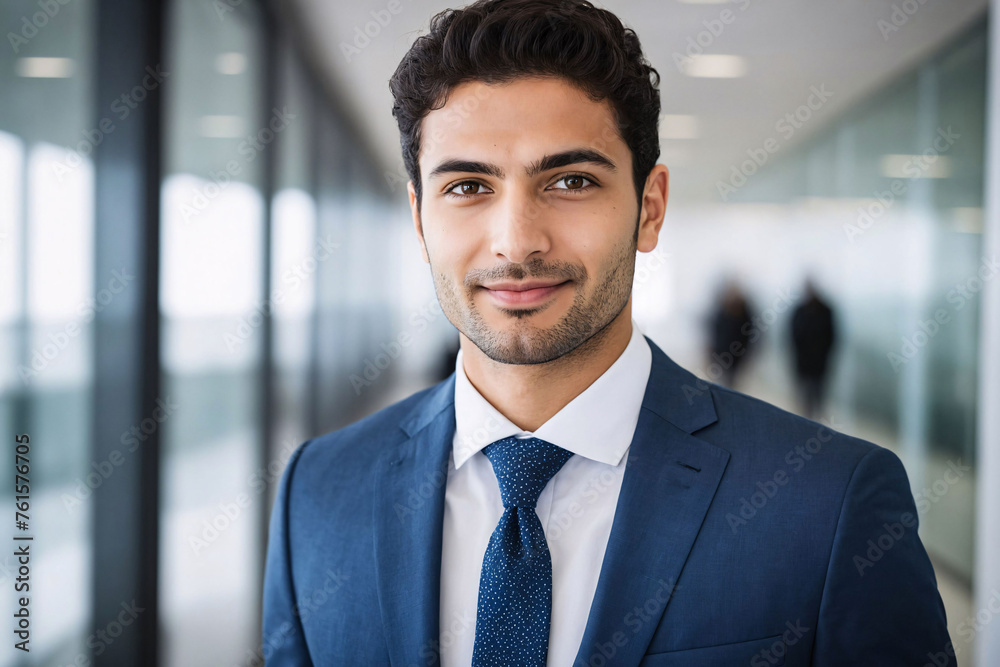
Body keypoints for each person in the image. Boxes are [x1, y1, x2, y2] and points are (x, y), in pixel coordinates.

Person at [262, 1, 954, 665]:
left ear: (649, 209)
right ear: (420, 220)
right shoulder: (317, 491)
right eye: (469, 187)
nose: (516, 242)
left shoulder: (827, 503)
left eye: (569, 180)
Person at [790, 278, 837, 418]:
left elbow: (832, 337)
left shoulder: (825, 311)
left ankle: (815, 425)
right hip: (804, 364)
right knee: (804, 400)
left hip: (819, 365)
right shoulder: (800, 311)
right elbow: (793, 337)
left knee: (818, 399)